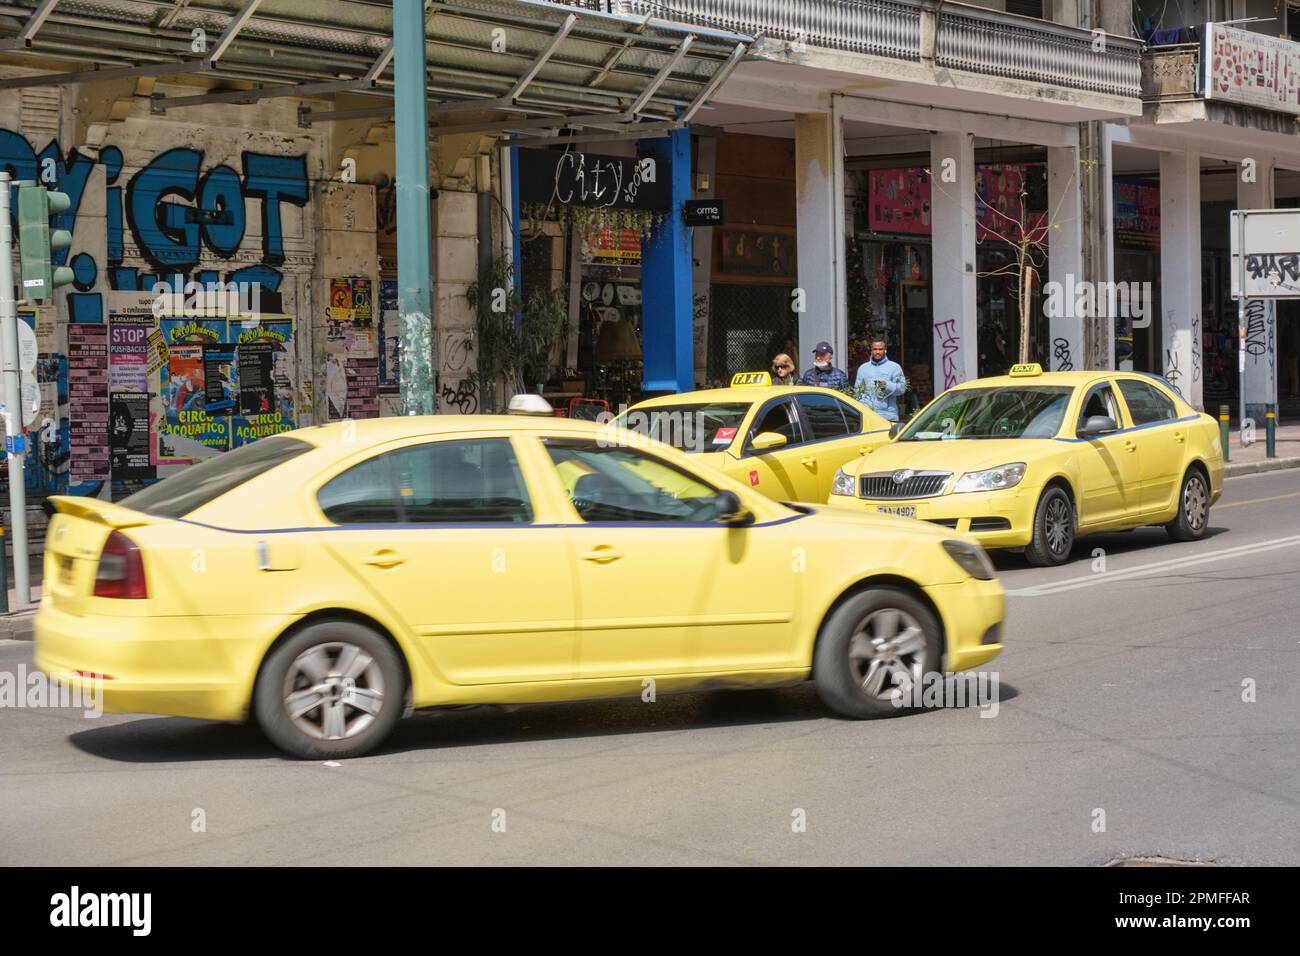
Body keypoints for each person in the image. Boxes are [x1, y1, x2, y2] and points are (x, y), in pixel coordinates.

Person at [855, 337, 907, 422]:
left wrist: (886, 386)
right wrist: (865, 407)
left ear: (885, 350)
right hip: (868, 416)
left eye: (880, 349)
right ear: (871, 351)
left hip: (888, 416)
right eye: (875, 349)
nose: (877, 352)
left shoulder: (894, 367)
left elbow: (901, 389)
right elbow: (858, 392)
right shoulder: (863, 368)